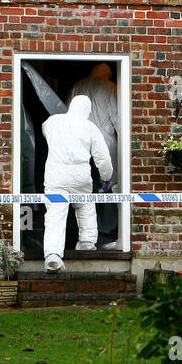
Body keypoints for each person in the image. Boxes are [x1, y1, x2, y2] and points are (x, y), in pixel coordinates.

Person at [41, 95, 113, 271]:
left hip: (56, 176)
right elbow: (103, 158)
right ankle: (87, 243)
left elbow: (44, 130)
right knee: (85, 207)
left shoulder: (52, 122)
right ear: (87, 110)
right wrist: (106, 177)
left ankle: (53, 256)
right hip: (81, 176)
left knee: (55, 215)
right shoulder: (90, 127)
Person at [69, 62, 120, 245]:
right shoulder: (110, 87)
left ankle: (85, 233)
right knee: (110, 185)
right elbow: (117, 117)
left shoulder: (77, 86)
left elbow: (68, 114)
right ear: (107, 74)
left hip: (80, 142)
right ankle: (109, 230)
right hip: (105, 141)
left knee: (84, 187)